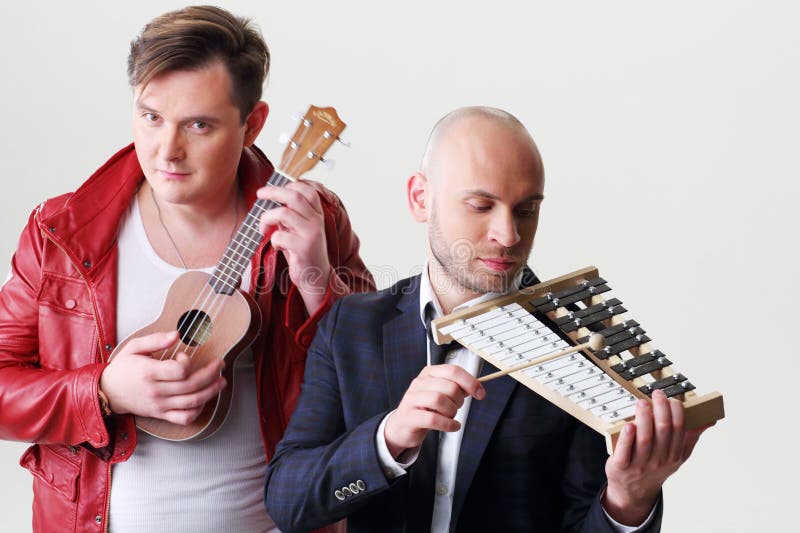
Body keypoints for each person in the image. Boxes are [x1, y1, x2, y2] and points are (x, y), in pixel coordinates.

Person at [0, 6, 373, 533]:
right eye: (151, 117)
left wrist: (315, 277)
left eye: (199, 125)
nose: (167, 151)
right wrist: (102, 391)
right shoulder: (62, 232)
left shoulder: (311, 219)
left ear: (253, 125)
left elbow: (376, 384)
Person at [263, 107, 711, 532]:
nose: (508, 235)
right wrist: (388, 438)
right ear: (421, 198)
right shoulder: (352, 326)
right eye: (481, 205)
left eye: (526, 209)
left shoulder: (582, 342)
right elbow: (287, 500)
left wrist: (629, 500)